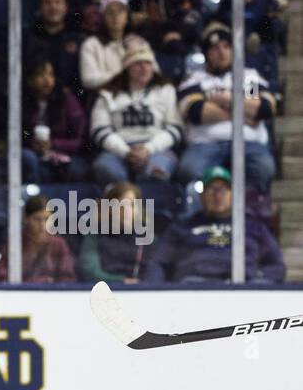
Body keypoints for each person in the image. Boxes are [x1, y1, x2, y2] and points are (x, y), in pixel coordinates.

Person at [177, 24, 277, 191]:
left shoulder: (249, 77)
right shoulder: (195, 80)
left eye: (226, 46)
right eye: (215, 48)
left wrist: (226, 100)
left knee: (264, 167)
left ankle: (251, 208)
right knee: (189, 169)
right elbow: (197, 112)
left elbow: (263, 110)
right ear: (206, 53)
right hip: (205, 143)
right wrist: (243, 113)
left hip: (248, 142)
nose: (222, 52)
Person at [144, 167, 285, 283]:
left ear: (233, 195)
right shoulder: (181, 228)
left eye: (223, 189)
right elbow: (157, 262)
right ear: (201, 196)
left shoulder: (255, 228)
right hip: (192, 289)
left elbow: (277, 266)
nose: (218, 195)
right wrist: (158, 292)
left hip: (243, 288)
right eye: (211, 189)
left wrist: (256, 278)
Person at [90, 40, 183, 184]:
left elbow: (175, 128)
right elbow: (99, 130)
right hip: (118, 150)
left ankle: (151, 207)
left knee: (156, 172)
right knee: (106, 169)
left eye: (148, 63)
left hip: (157, 149)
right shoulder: (108, 94)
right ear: (127, 68)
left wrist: (148, 149)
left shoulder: (166, 90)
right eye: (138, 64)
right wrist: (126, 152)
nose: (144, 68)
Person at [22, 58, 89, 184]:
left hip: (65, 154)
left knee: (77, 169)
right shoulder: (24, 103)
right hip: (35, 154)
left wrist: (53, 144)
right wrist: (32, 143)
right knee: (27, 158)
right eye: (41, 75)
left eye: (50, 74)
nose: (47, 80)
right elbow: (19, 135)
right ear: (30, 80)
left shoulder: (67, 100)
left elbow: (81, 141)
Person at [77, 181, 157, 285]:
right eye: (121, 206)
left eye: (132, 205)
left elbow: (154, 272)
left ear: (139, 209)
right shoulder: (94, 235)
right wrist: (120, 281)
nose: (126, 211)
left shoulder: (148, 238)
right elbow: (90, 272)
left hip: (139, 294)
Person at [0, 196, 78, 283]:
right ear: (26, 219)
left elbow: (67, 278)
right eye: (37, 219)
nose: (42, 225)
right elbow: (3, 277)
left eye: (47, 219)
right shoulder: (15, 243)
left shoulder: (58, 244)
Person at [79, 0, 133, 92]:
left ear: (127, 16)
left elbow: (154, 73)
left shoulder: (137, 42)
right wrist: (127, 77)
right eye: (110, 12)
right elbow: (88, 79)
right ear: (103, 17)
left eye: (120, 11)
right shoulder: (91, 44)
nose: (115, 16)